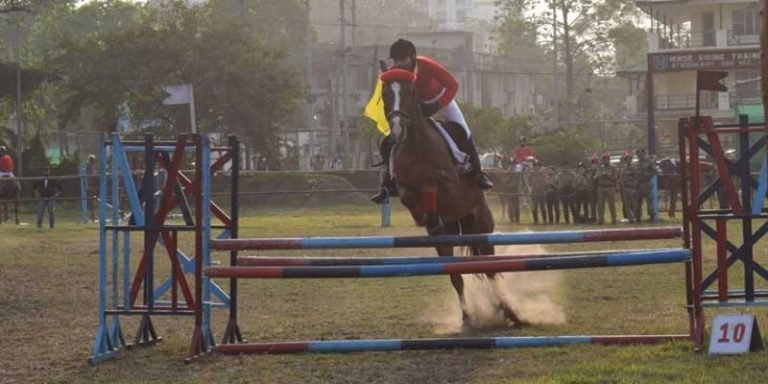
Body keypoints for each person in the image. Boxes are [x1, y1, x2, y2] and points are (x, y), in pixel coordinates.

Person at [370, 38, 493, 204]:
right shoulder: (396, 72)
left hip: (442, 100)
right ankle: (389, 182)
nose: (400, 63)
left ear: (412, 56)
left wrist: (437, 105)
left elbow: (452, 85)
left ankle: (479, 174)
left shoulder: (426, 64)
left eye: (403, 59)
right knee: (394, 138)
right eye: (396, 60)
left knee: (464, 130)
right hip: (418, 107)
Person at [593, 153, 617, 225]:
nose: (606, 160)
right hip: (601, 187)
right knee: (600, 205)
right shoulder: (600, 167)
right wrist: (600, 174)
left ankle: (614, 219)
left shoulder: (613, 167)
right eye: (604, 159)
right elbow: (595, 177)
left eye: (607, 159)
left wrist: (608, 176)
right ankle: (601, 220)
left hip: (610, 187)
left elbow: (615, 177)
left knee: (611, 204)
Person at [635, 148, 657, 222]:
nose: (639, 156)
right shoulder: (637, 163)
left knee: (649, 201)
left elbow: (655, 171)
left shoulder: (649, 162)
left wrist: (647, 175)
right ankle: (638, 217)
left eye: (640, 154)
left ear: (643, 154)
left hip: (646, 183)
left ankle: (652, 217)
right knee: (638, 201)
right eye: (638, 155)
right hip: (638, 184)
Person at [618, 152, 638, 223]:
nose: (628, 161)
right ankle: (630, 219)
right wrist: (621, 186)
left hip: (631, 187)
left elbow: (636, 178)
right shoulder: (623, 169)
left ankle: (636, 217)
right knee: (627, 205)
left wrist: (634, 186)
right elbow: (621, 179)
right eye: (626, 159)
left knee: (634, 204)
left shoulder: (634, 168)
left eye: (629, 159)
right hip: (625, 188)